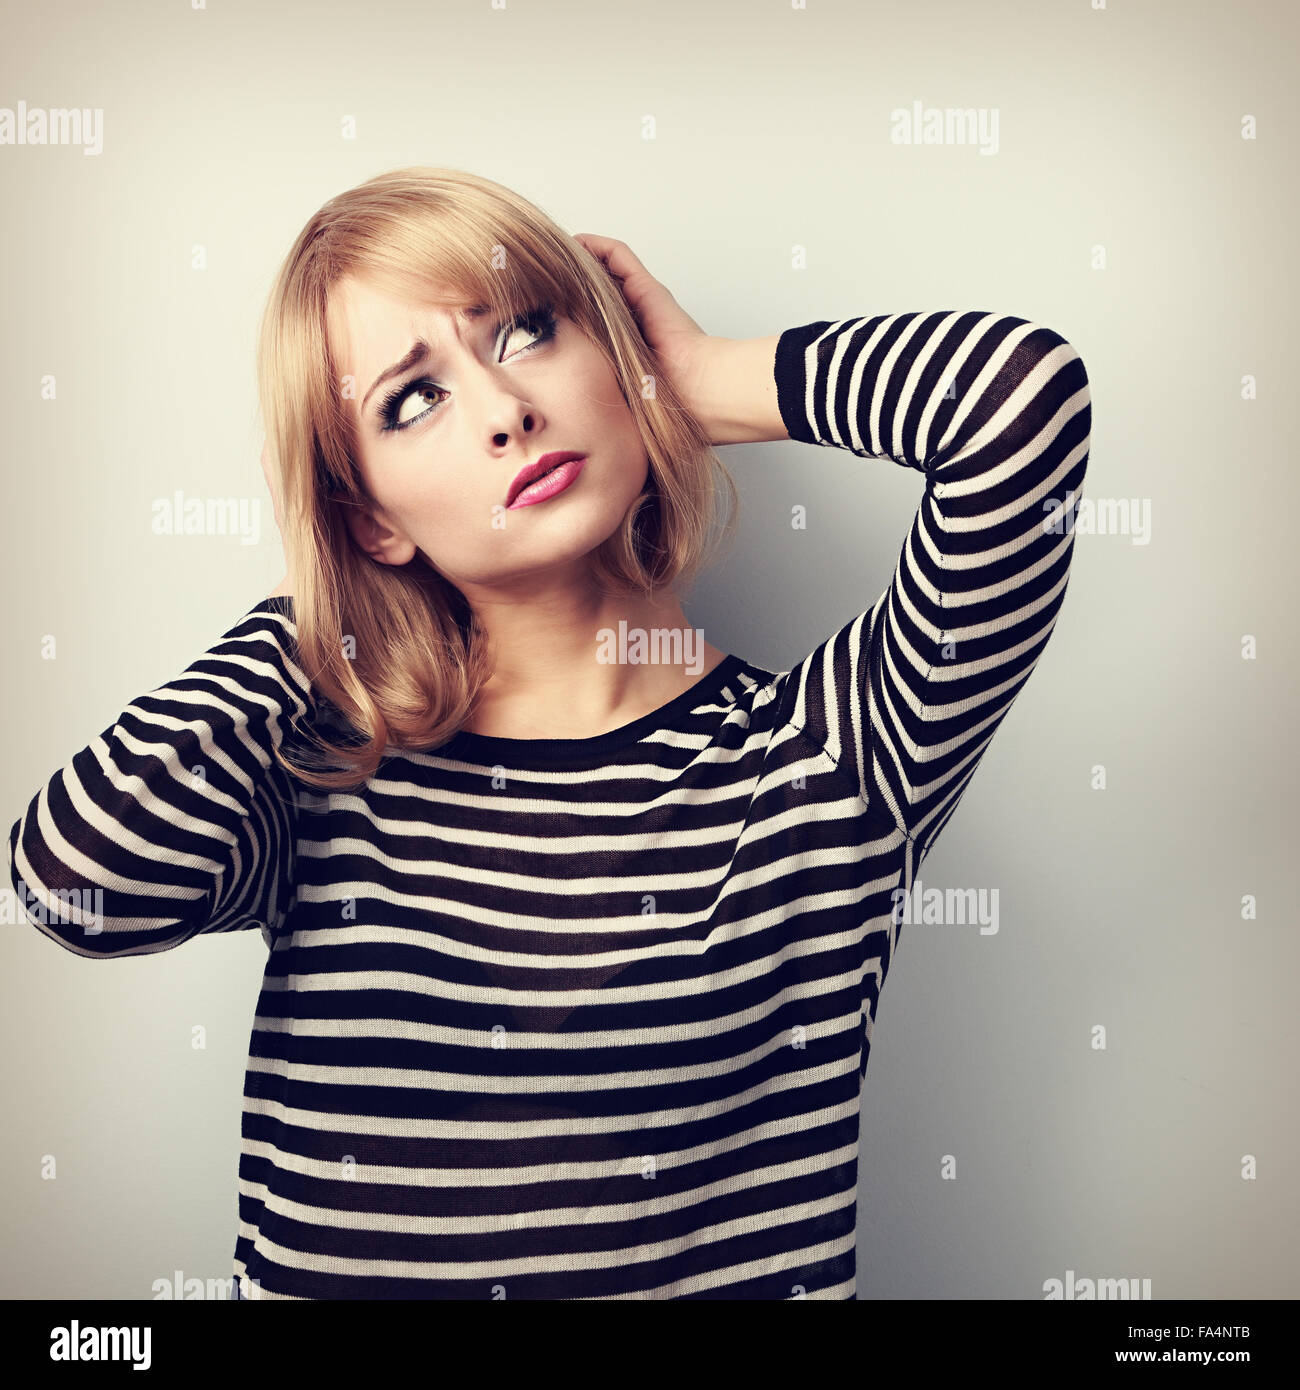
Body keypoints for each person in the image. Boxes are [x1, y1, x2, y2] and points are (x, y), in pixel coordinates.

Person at [7, 166, 1092, 1300]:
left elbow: (1016, 404)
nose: (502, 411)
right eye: (409, 400)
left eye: (525, 331)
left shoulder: (827, 760)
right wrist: (323, 598)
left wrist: (707, 379)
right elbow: (73, 881)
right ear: (370, 514)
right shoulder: (326, 771)